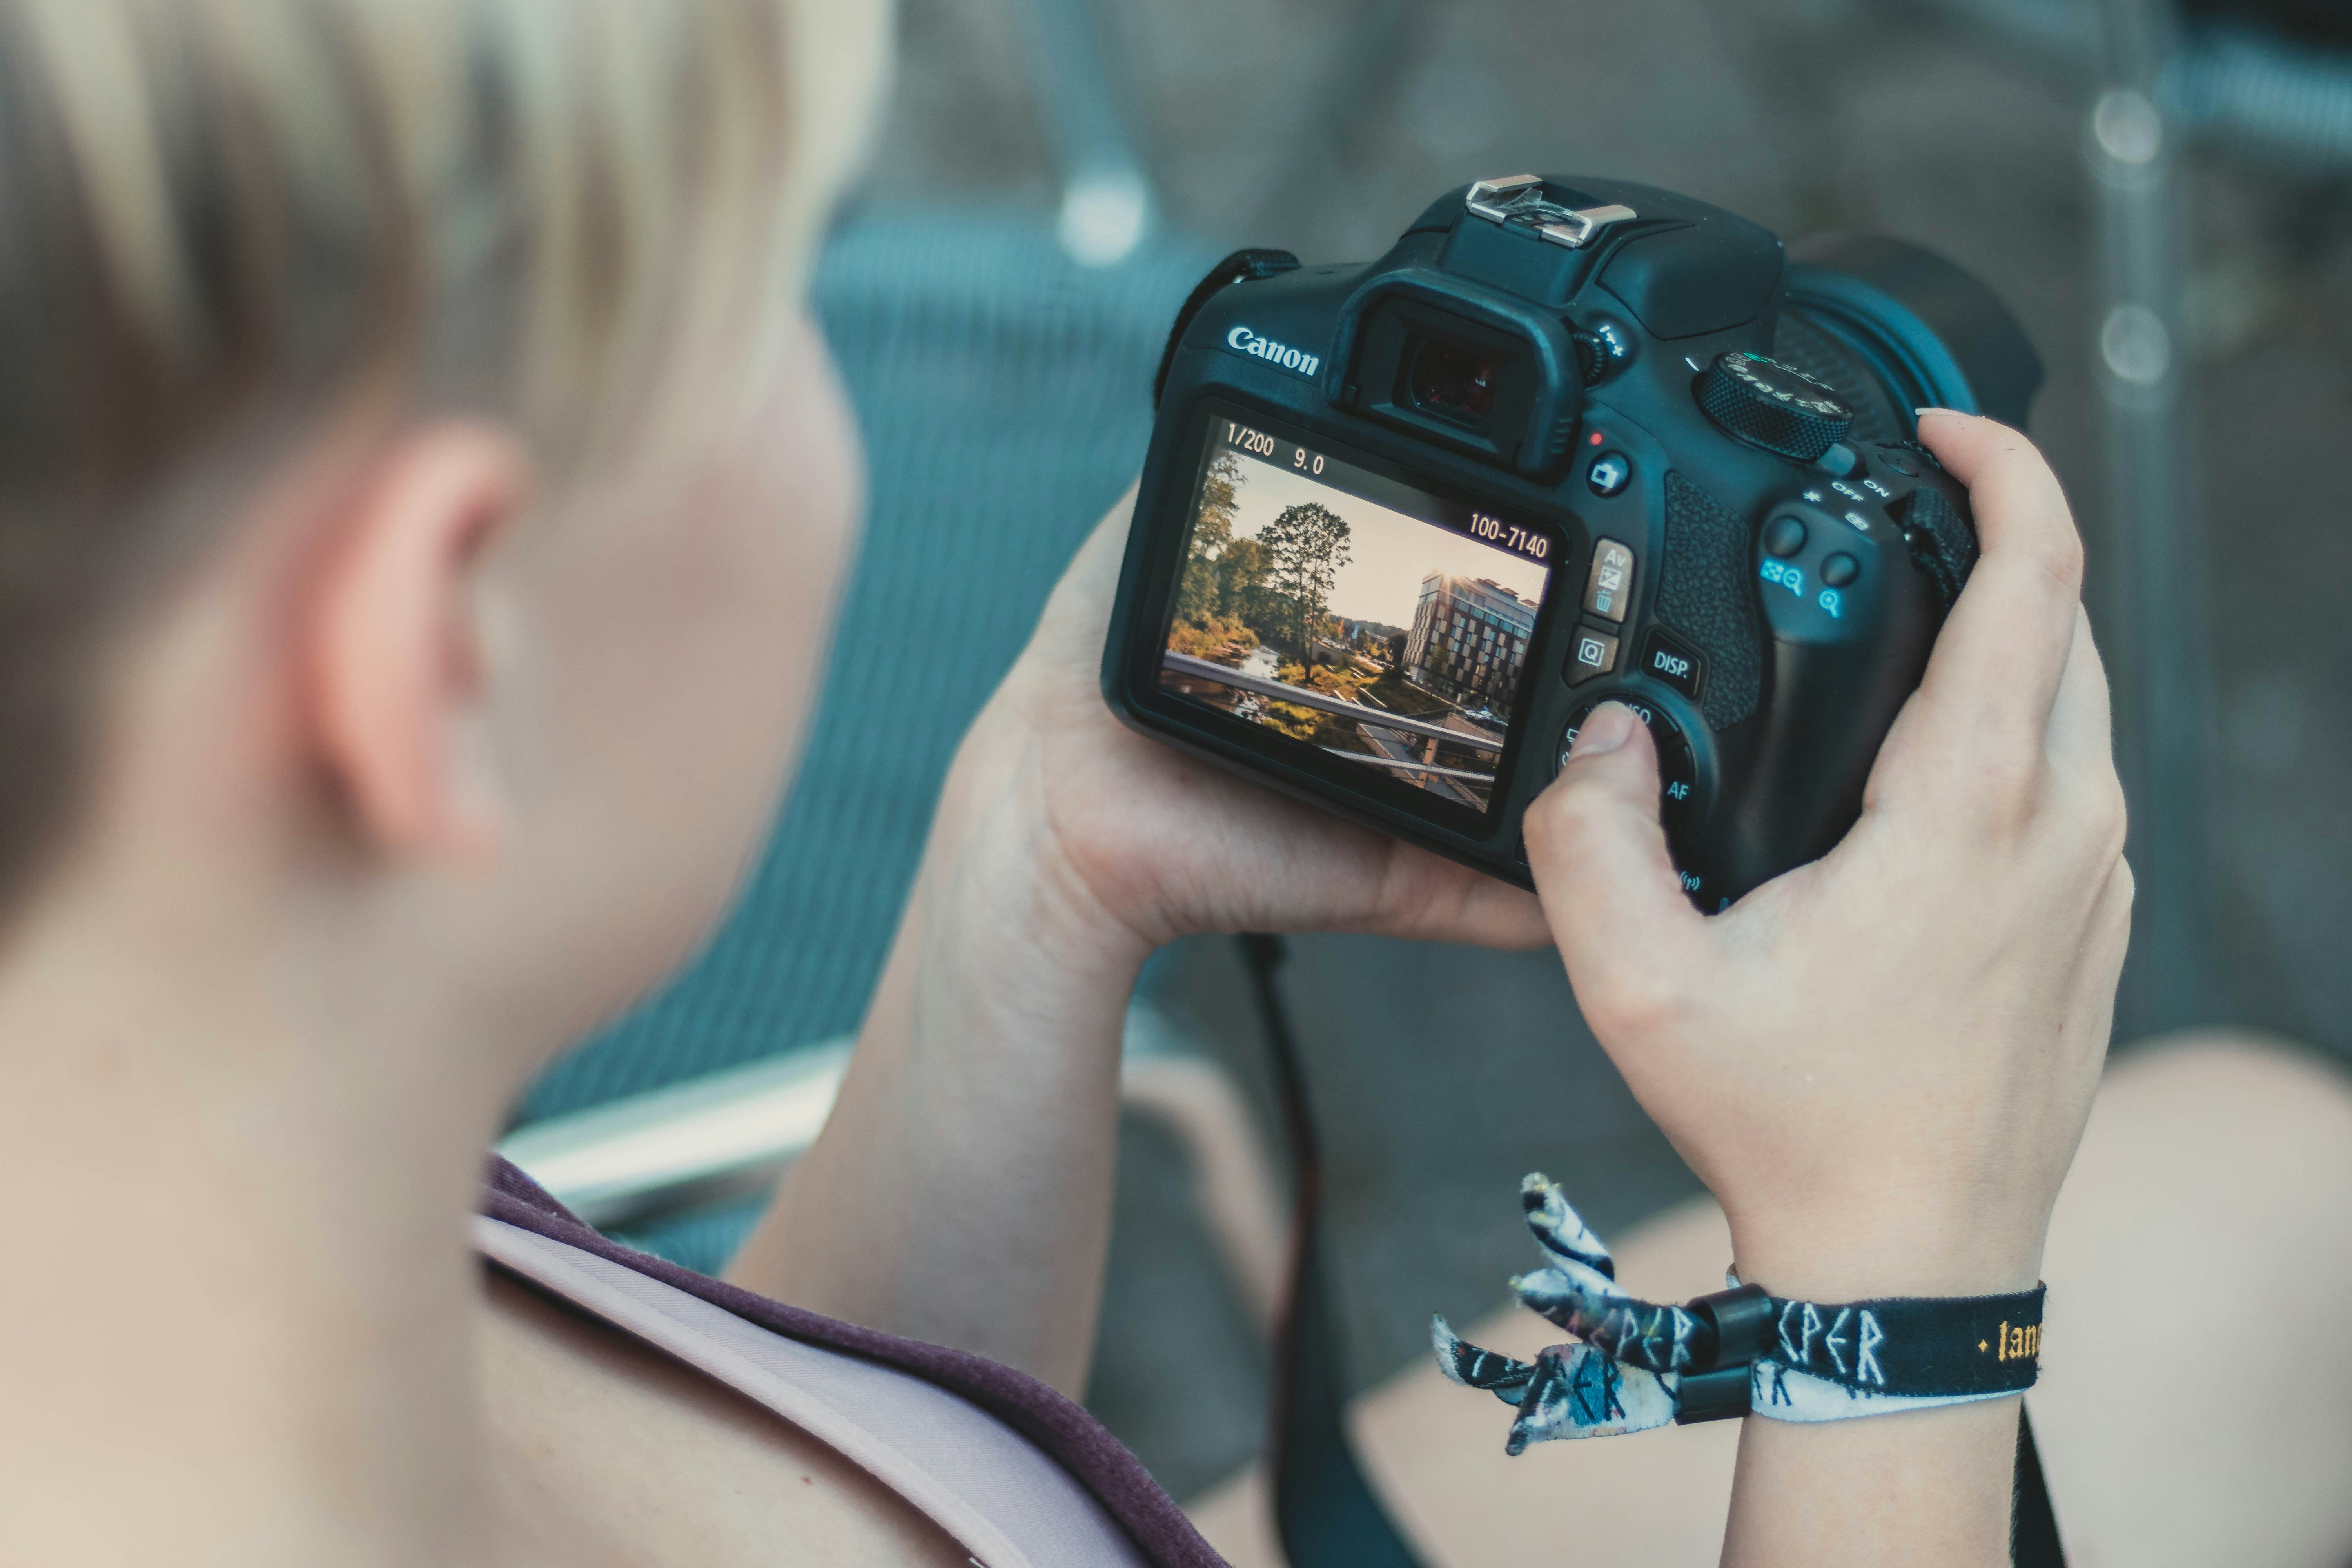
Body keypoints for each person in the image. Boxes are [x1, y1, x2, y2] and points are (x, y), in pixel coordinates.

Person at [1, 4, 2345, 1568]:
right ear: (437, 636)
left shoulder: (200, 1208)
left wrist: (1040, 874)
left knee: (2275, 1208)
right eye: (771, 292)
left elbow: (782, 1494)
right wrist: (1893, 1287)